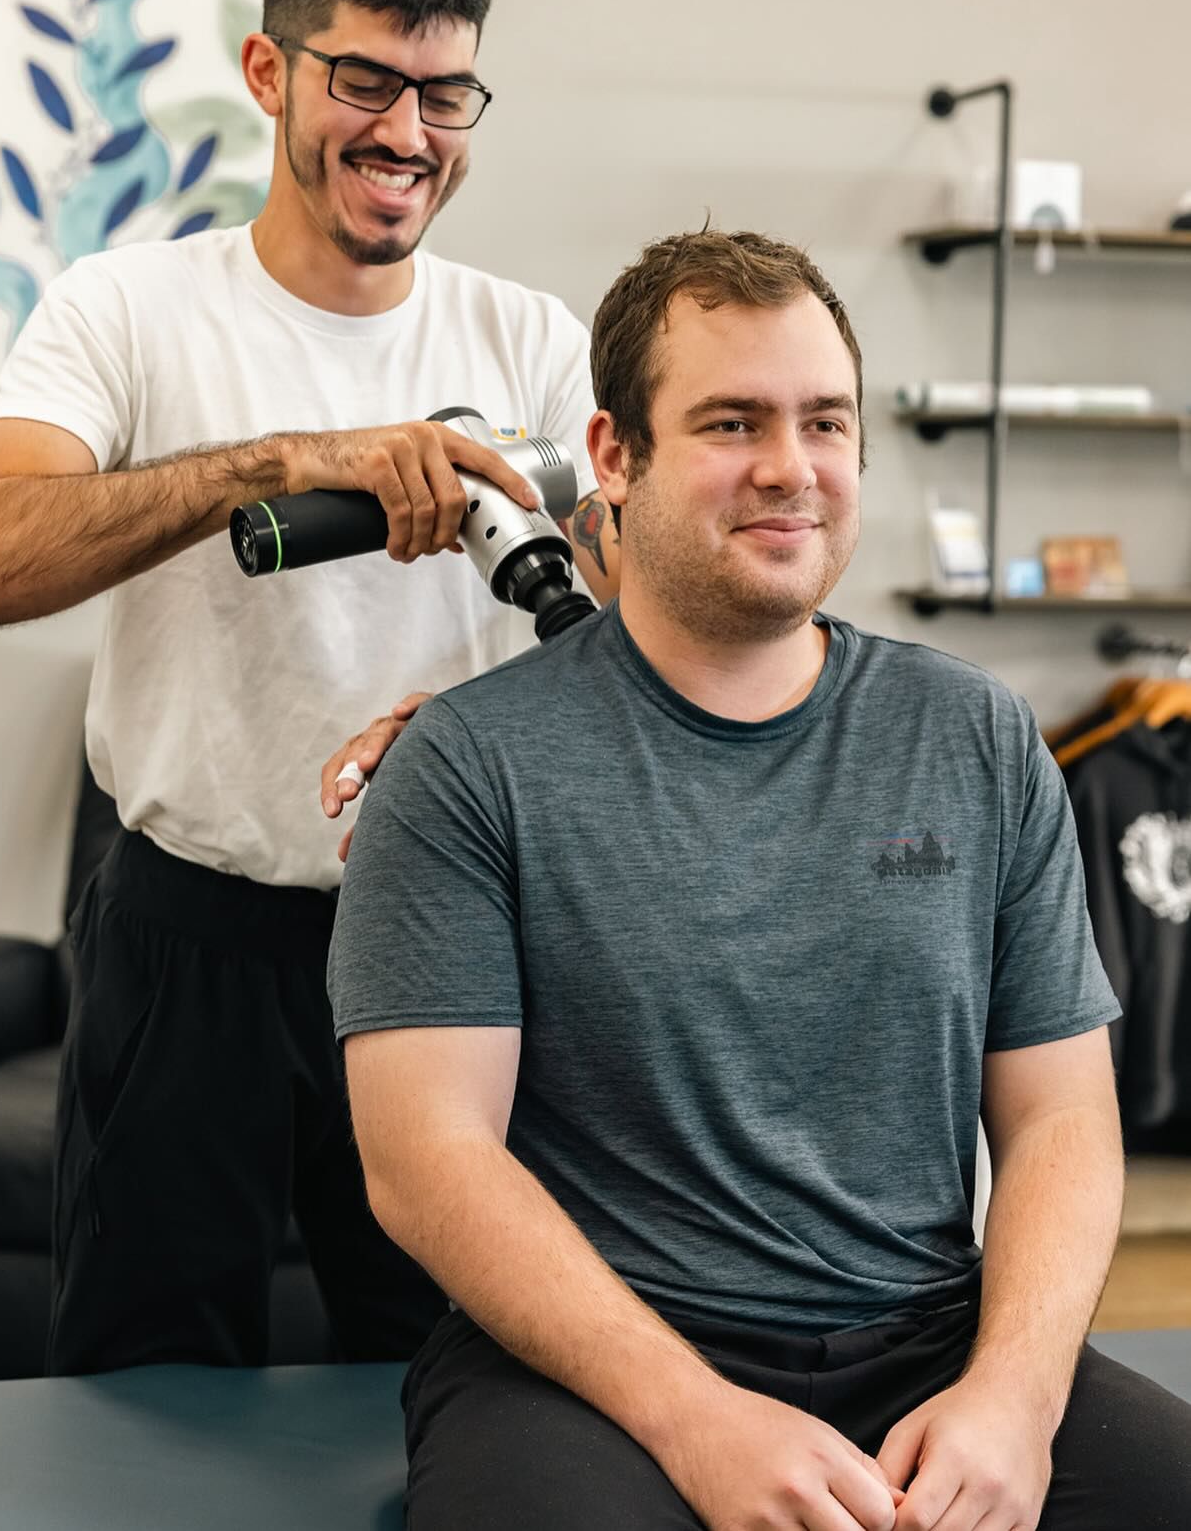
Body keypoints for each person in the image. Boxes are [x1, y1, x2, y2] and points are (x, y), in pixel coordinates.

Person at [327, 227, 1191, 1529]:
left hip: (923, 1340)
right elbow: (427, 1157)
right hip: (590, 1369)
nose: (789, 469)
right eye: (731, 422)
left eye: (825, 422)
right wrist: (692, 1415)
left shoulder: (976, 734)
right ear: (615, 455)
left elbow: (1063, 1121)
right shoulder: (466, 765)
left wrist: (1011, 1395)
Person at [0, 0, 618, 1376]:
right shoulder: (129, 309)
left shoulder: (531, 342)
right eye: (362, 80)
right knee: (142, 1395)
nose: (406, 133)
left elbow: (641, 647)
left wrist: (486, 724)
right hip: (192, 934)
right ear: (268, 72)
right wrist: (280, 459)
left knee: (454, 1379)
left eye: (444, 94)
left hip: (452, 939)